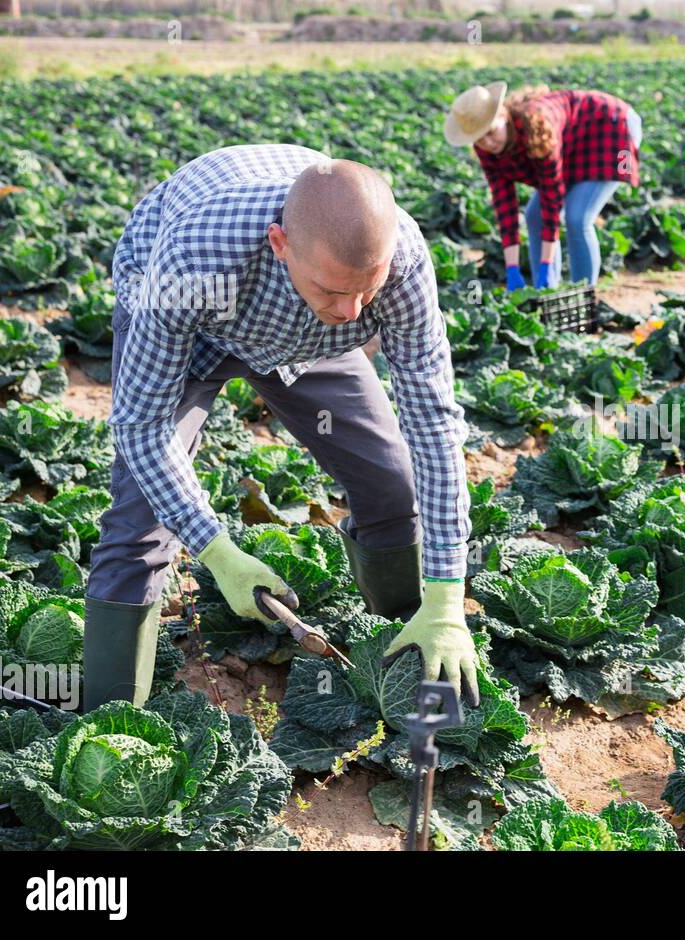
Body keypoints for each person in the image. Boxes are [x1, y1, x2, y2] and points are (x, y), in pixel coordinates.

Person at [86, 144, 478, 711]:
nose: (353, 310)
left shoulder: (401, 263)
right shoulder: (196, 258)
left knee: (391, 484)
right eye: (333, 290)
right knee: (139, 524)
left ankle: (400, 649)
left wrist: (445, 596)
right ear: (280, 245)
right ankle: (109, 720)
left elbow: (433, 423)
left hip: (311, 346)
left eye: (366, 290)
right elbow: (141, 426)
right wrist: (217, 553)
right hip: (196, 332)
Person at [445, 81, 642, 290]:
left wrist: (546, 265)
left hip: (611, 125)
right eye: (479, 140)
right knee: (533, 216)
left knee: (577, 218)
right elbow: (505, 206)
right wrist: (512, 267)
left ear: (502, 115)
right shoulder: (487, 150)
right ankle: (546, 293)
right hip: (572, 144)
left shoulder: (536, 126)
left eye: (491, 132)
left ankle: (585, 296)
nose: (488, 144)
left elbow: (551, 197)